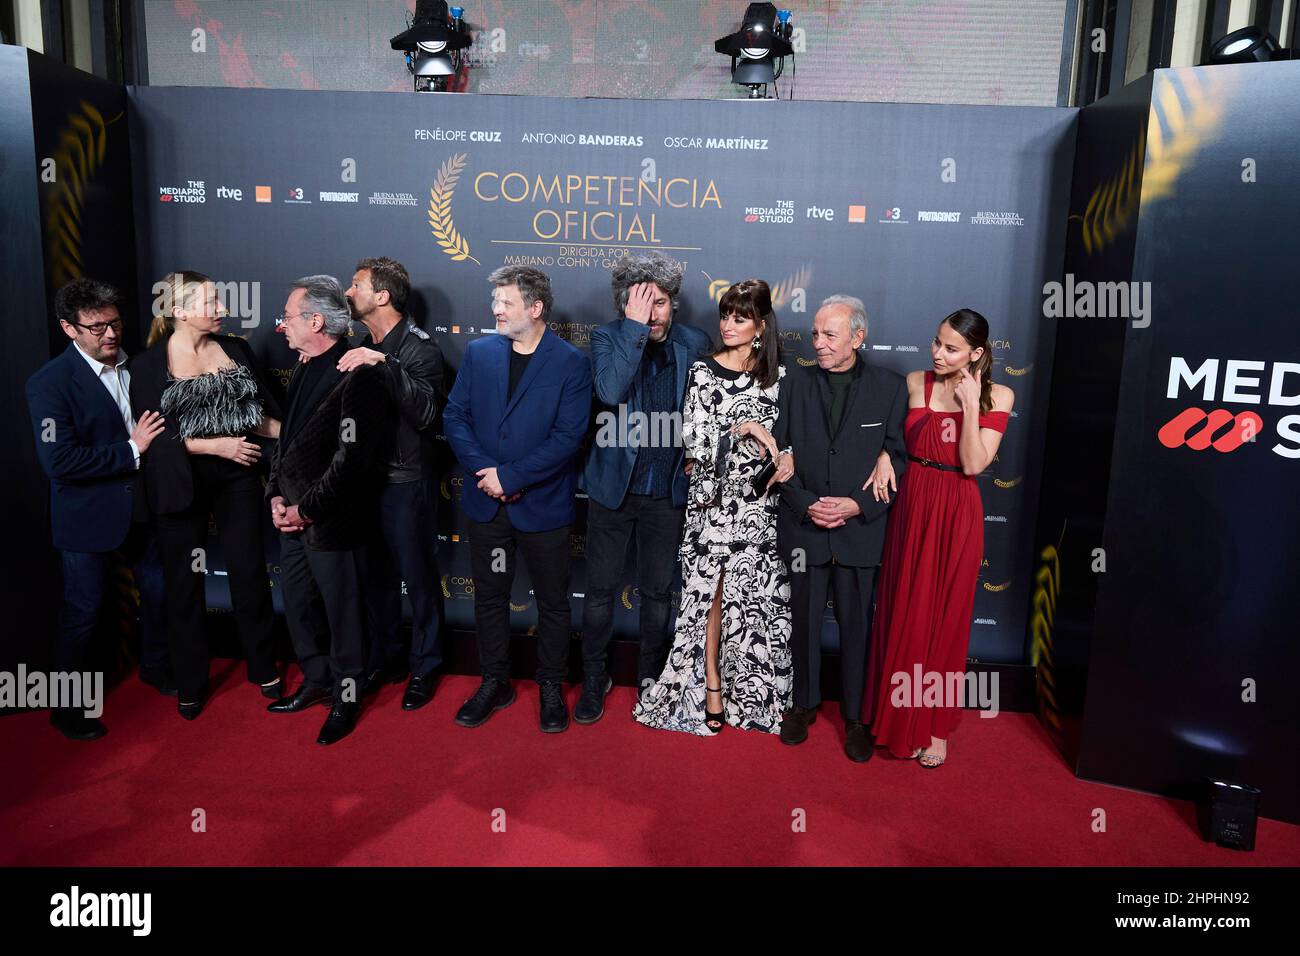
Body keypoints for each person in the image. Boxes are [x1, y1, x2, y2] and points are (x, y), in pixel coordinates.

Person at [633, 279, 794, 736]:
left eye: (740, 317)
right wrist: (741, 427)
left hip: (759, 508)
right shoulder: (703, 371)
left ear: (761, 325)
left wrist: (790, 454)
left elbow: (796, 434)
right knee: (710, 598)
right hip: (711, 505)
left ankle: (752, 692)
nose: (728, 325)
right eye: (725, 315)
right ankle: (710, 687)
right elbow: (696, 444)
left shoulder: (779, 377)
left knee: (754, 600)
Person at [442, 266, 592, 733]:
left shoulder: (570, 362)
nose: (496, 310)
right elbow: (455, 416)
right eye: (495, 302)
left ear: (535, 307)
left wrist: (511, 476)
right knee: (490, 596)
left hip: (543, 505)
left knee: (551, 601)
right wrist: (488, 475)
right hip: (487, 503)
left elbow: (569, 437)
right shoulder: (480, 353)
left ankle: (551, 685)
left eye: (505, 303)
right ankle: (495, 681)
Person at [130, 272, 283, 720]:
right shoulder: (146, 365)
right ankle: (191, 682)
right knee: (184, 585)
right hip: (180, 481)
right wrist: (217, 443)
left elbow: (262, 416)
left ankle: (263, 668)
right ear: (178, 310)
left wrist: (301, 435)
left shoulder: (236, 350)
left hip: (237, 477)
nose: (221, 308)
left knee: (249, 574)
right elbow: (153, 438)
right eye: (211, 301)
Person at [864, 309, 1014, 768]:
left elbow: (973, 464)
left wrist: (971, 406)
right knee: (904, 609)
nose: (938, 353)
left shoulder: (1000, 396)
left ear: (977, 353)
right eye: (936, 342)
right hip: (912, 505)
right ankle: (890, 719)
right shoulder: (915, 382)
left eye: (951, 348)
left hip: (956, 510)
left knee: (945, 620)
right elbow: (890, 438)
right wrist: (887, 457)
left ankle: (933, 726)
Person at [25, 278, 170, 739]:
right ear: (70, 329)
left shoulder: (140, 366)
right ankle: (66, 709)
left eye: (115, 322)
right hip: (86, 519)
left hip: (144, 509)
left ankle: (157, 668)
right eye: (96, 327)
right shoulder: (48, 384)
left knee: (160, 593)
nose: (110, 333)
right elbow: (59, 462)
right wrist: (132, 449)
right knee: (82, 612)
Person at [575, 253, 712, 723]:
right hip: (613, 491)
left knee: (657, 593)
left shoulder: (695, 342)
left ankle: (653, 677)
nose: (654, 313)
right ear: (625, 305)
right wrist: (633, 328)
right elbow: (612, 391)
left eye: (662, 303)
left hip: (668, 492)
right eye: (643, 304)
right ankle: (596, 678)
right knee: (599, 592)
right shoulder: (606, 337)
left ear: (673, 303)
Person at [773, 295, 908, 762]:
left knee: (857, 628)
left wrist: (856, 505)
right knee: (804, 622)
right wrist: (809, 505)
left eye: (829, 335)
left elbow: (899, 459)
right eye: (815, 334)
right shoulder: (794, 384)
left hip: (859, 532)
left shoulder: (890, 388)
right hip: (805, 529)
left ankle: (856, 716)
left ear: (858, 336)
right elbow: (777, 457)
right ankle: (803, 705)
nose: (819, 343)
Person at [264, 275, 394, 746]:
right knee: (298, 605)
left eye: (288, 317)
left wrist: (307, 509)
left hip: (332, 521)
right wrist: (277, 497)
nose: (282, 327)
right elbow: (288, 440)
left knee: (343, 614)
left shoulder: (358, 374)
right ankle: (316, 681)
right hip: (291, 518)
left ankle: (347, 695)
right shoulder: (302, 366)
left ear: (316, 321)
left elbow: (352, 459)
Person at [340, 257, 446, 711]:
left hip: (407, 483)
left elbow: (425, 414)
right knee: (376, 580)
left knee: (418, 581)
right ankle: (388, 658)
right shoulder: (361, 344)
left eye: (357, 284)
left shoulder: (420, 350)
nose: (348, 292)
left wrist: (384, 363)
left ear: (382, 296)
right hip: (366, 484)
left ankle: (427, 666)